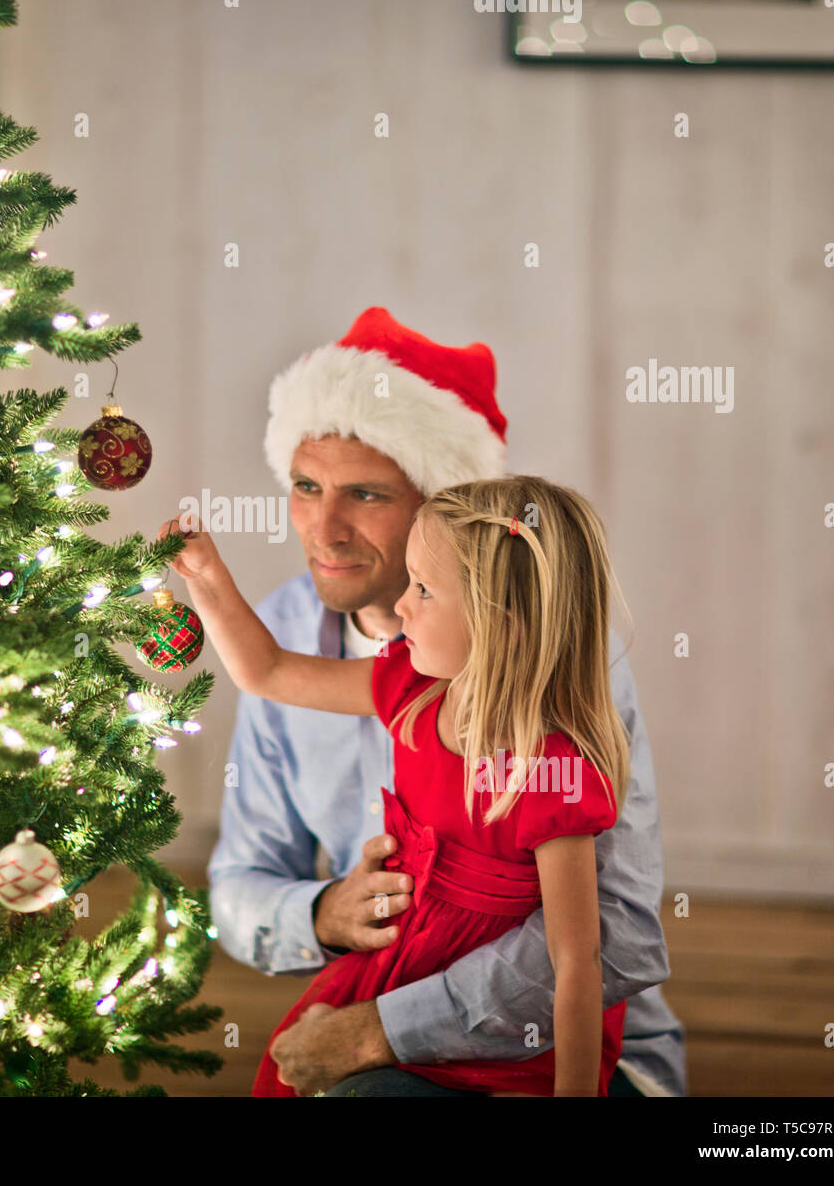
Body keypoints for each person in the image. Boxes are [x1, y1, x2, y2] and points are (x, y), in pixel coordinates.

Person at [202, 306, 686, 1096]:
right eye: (304, 487)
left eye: (365, 494)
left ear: (448, 507)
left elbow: (613, 941)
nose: (325, 529)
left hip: (535, 1049)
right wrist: (325, 914)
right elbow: (237, 885)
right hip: (380, 993)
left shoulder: (554, 658)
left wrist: (382, 1032)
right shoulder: (292, 631)